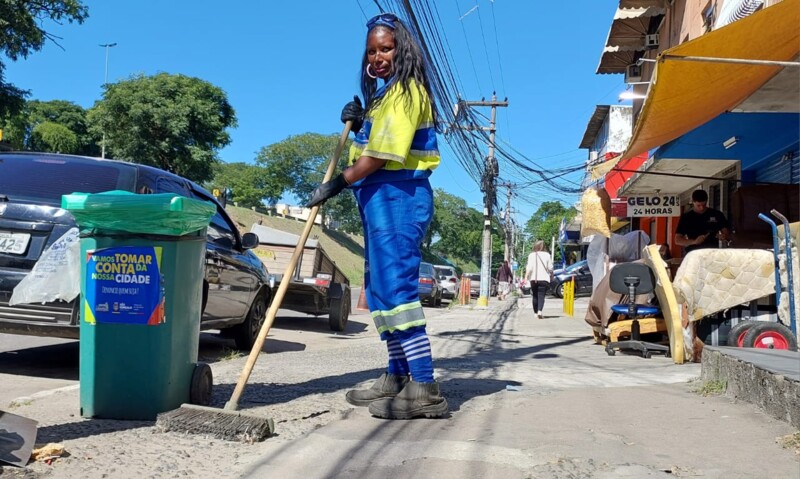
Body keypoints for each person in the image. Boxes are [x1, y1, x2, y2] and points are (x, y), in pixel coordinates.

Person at [307, 12, 447, 420]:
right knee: (381, 291)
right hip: (379, 198)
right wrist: (359, 121)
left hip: (399, 197)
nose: (378, 56)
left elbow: (383, 155)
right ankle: (397, 375)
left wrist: (339, 182)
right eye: (372, 51)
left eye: (386, 48)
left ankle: (424, 385)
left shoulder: (406, 92)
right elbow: (372, 143)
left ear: (403, 50)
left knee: (398, 292)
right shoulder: (386, 96)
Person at [675, 189, 731, 253]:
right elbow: (677, 240)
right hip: (694, 253)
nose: (701, 208)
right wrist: (694, 241)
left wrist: (723, 236)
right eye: (698, 205)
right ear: (693, 202)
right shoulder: (686, 217)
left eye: (704, 205)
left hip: (712, 252)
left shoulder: (717, 214)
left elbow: (727, 233)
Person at [524, 240, 553, 320]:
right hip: (544, 279)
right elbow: (550, 268)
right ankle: (540, 311)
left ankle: (535, 313)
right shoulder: (547, 255)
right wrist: (551, 275)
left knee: (535, 296)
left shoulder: (531, 255)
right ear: (543, 247)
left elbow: (529, 268)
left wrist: (526, 277)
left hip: (534, 279)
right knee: (541, 296)